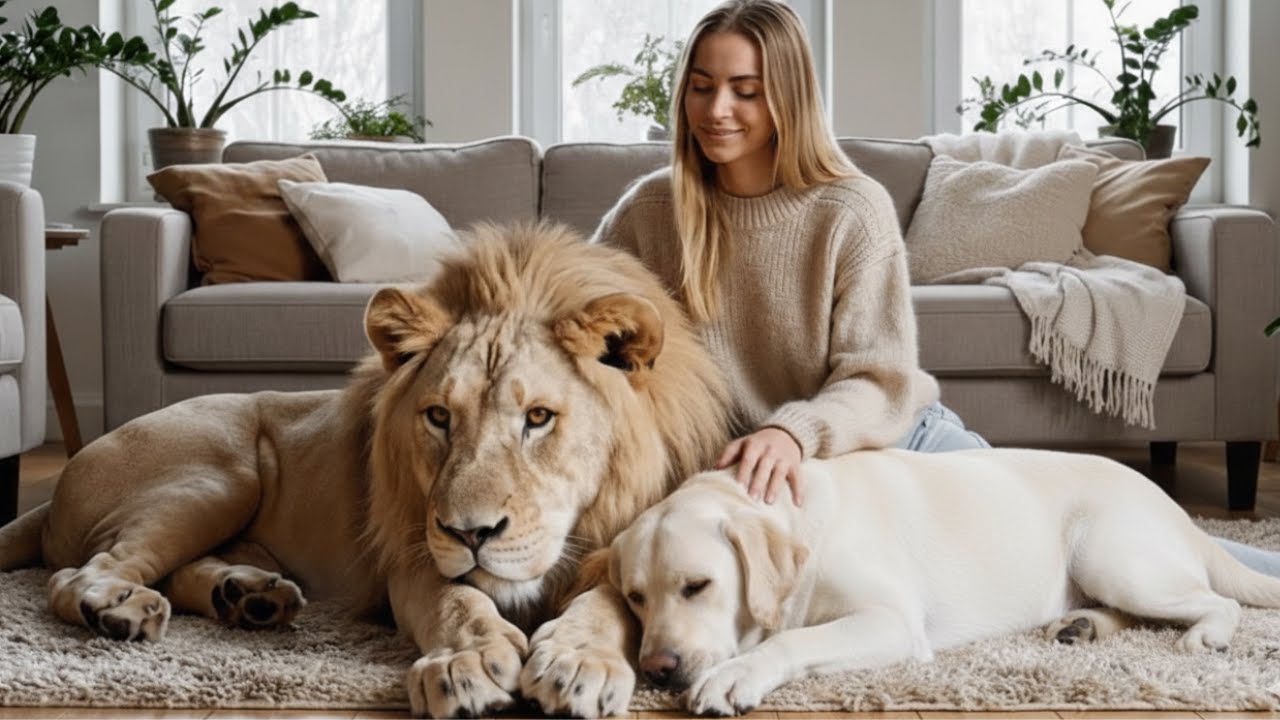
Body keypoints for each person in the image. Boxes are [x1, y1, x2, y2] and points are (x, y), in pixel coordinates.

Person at [591, 0, 1280, 577]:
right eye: (702, 85)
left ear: (788, 98)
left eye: (746, 90)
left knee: (1106, 540)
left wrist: (792, 430)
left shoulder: (848, 209)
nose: (717, 109)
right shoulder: (652, 210)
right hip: (764, 470)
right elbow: (572, 318)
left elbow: (880, 379)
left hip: (897, 444)